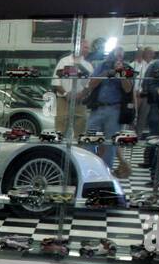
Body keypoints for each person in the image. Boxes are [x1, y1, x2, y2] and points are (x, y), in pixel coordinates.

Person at [85, 47, 134, 177]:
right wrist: (106, 73)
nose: (117, 59)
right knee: (90, 139)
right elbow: (91, 84)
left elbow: (128, 89)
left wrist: (121, 72)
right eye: (116, 56)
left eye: (120, 57)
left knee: (111, 143)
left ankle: (106, 174)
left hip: (115, 109)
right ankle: (88, 168)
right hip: (98, 108)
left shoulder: (126, 68)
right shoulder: (102, 66)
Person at [51, 39, 91, 137]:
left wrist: (80, 95)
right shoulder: (63, 62)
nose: (88, 50)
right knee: (60, 131)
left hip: (80, 102)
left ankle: (78, 152)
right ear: (78, 47)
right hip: (63, 101)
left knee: (80, 133)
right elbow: (56, 82)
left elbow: (89, 85)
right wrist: (66, 94)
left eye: (88, 48)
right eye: (86, 47)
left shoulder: (88, 66)